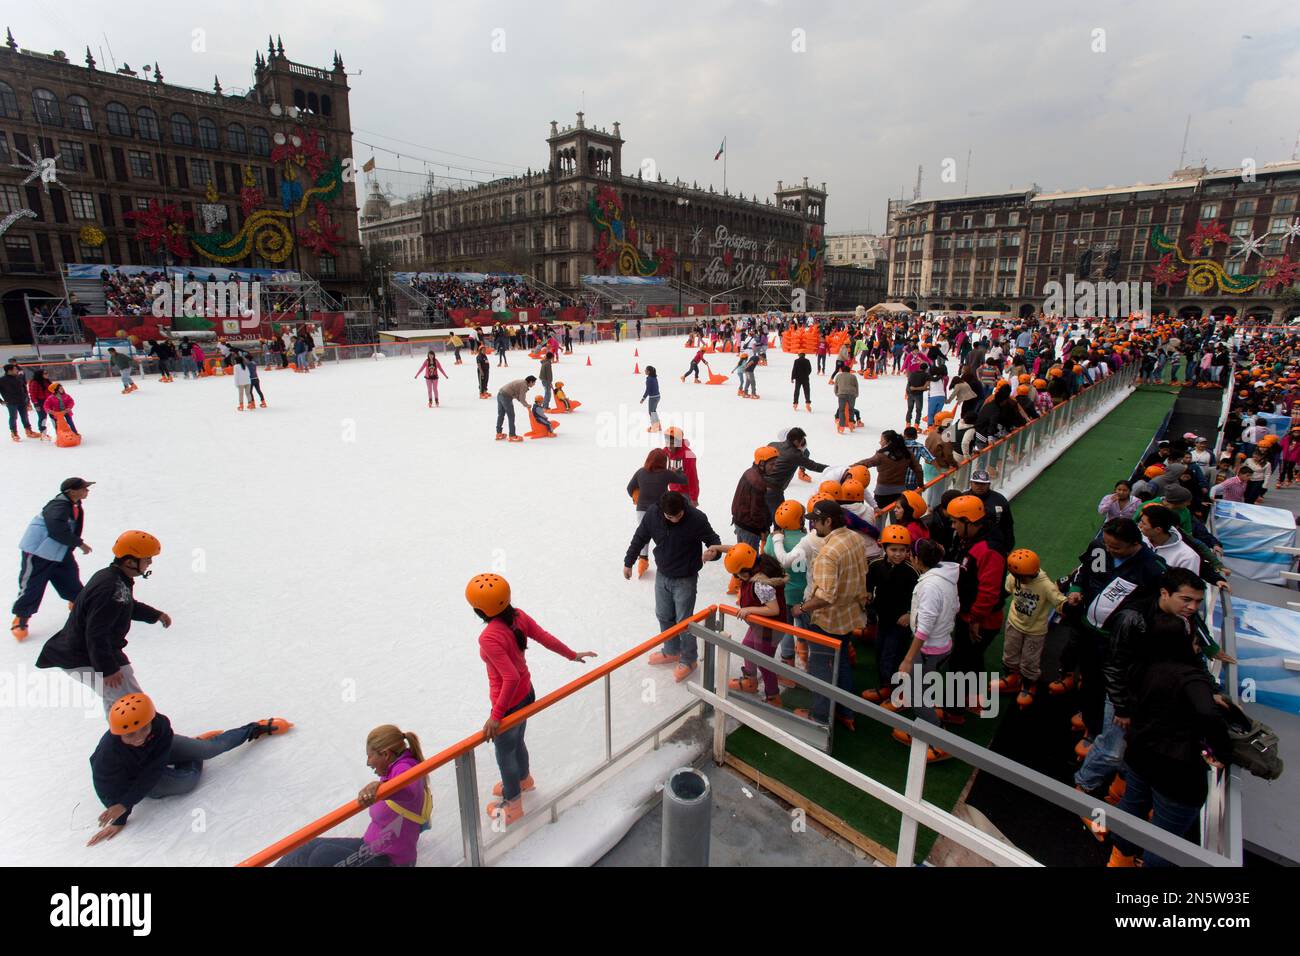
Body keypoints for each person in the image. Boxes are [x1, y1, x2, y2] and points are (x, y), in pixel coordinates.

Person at [1106, 569, 1232, 867]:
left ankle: (1119, 858)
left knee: (1132, 805)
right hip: (1176, 769)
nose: (1193, 609)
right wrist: (1222, 752)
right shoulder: (1188, 678)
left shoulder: (1143, 668)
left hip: (1140, 750)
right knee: (1166, 838)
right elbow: (1206, 714)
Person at [466, 574, 595, 825]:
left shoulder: (489, 637)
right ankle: (524, 780)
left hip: (510, 703)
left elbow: (509, 677)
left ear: (480, 610)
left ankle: (512, 804)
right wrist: (571, 654)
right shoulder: (518, 617)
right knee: (517, 742)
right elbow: (544, 636)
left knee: (505, 753)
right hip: (527, 694)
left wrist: (496, 716)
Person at [88, 694, 291, 847]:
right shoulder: (109, 755)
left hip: (155, 760)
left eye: (143, 728)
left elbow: (155, 766)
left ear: (151, 720)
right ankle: (195, 753)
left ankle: (254, 728)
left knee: (209, 749)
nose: (138, 736)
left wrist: (124, 804)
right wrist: (121, 813)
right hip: (136, 777)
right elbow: (106, 786)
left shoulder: (160, 725)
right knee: (187, 781)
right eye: (130, 734)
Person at [34, 531, 171, 714]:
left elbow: (126, 603)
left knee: (120, 699)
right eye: (147, 559)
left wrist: (155, 615)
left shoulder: (114, 578)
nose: (150, 563)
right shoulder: (109, 588)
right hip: (84, 655)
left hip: (98, 651)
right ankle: (149, 740)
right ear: (130, 562)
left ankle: (127, 739)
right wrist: (107, 669)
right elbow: (96, 633)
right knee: (131, 704)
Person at [278, 724, 431, 867]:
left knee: (322, 856)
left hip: (389, 861)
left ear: (385, 754)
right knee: (307, 847)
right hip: (369, 847)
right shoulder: (395, 768)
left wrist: (381, 787)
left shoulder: (406, 768)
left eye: (370, 756)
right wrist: (383, 786)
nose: (368, 762)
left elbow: (409, 791)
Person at [623, 491, 724, 682]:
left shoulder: (696, 517)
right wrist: (629, 561)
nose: (677, 518)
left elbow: (713, 540)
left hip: (685, 578)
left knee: (684, 622)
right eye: (672, 516)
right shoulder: (653, 514)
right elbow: (640, 537)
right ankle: (671, 650)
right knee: (663, 615)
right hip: (663, 574)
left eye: (680, 514)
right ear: (662, 512)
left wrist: (714, 552)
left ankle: (689, 659)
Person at [790, 500, 869, 730]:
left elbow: (825, 597)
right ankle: (846, 712)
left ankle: (820, 717)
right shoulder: (855, 538)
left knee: (821, 668)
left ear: (828, 521)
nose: (813, 526)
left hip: (827, 621)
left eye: (816, 521)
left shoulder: (828, 553)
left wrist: (802, 609)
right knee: (842, 660)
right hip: (849, 615)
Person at [890, 538, 960, 762]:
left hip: (929, 649)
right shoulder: (948, 577)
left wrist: (909, 658)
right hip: (943, 644)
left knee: (916, 695)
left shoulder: (929, 585)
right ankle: (929, 724)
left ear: (916, 558)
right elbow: (954, 606)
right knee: (926, 688)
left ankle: (940, 741)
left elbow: (926, 626)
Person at [11, 477, 94, 642]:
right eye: (84, 488)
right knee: (32, 586)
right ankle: (21, 617)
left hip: (59, 552)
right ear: (72, 491)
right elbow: (56, 530)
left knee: (70, 579)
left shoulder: (75, 505)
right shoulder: (58, 507)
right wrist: (79, 544)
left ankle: (78, 604)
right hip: (38, 553)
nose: (87, 491)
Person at [946, 494, 1007, 709]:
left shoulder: (988, 549)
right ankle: (975, 701)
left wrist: (974, 618)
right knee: (971, 659)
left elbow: (989, 592)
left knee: (960, 663)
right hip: (973, 614)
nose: (953, 526)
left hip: (980, 619)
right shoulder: (974, 539)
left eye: (955, 522)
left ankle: (953, 711)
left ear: (969, 522)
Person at [995, 548, 1066, 709]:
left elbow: (1060, 603)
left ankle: (1028, 685)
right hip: (1014, 622)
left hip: (1035, 630)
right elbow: (1006, 591)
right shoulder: (1014, 577)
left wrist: (1070, 605)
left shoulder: (1045, 585)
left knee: (1030, 660)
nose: (1019, 579)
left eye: (1021, 577)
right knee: (1009, 653)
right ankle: (1012, 677)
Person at [860, 525, 920, 706]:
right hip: (883, 618)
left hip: (900, 623)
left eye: (903, 550)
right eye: (893, 549)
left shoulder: (912, 571)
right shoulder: (876, 564)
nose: (898, 554)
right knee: (880, 652)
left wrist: (909, 614)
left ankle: (897, 692)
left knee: (892, 656)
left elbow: (918, 596)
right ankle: (886, 685)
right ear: (884, 548)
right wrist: (868, 594)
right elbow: (869, 583)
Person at [725, 545, 790, 707]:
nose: (738, 578)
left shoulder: (760, 583)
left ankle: (773, 696)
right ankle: (750, 680)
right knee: (747, 646)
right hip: (759, 625)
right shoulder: (757, 562)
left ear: (747, 568)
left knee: (764, 662)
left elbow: (774, 609)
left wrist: (748, 610)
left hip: (769, 628)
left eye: (738, 574)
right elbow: (736, 550)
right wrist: (717, 548)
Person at [766, 499, 811, 674]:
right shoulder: (808, 539)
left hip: (784, 593)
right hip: (804, 594)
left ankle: (788, 663)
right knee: (804, 628)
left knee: (785, 629)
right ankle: (805, 657)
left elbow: (768, 560)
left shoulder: (774, 539)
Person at [627, 449, 686, 578]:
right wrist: (678, 472)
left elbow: (629, 488)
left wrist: (636, 495)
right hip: (659, 511)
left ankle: (643, 561)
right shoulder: (666, 474)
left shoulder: (640, 472)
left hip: (641, 509)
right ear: (664, 462)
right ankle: (667, 560)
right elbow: (683, 480)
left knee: (643, 534)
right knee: (663, 536)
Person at [852, 430, 923, 509]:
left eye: (882, 440)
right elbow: (918, 469)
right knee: (897, 517)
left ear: (888, 442)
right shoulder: (907, 453)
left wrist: (852, 467)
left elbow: (867, 462)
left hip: (882, 492)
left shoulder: (881, 455)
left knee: (880, 518)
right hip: (899, 492)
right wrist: (921, 485)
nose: (880, 442)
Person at [732, 447, 778, 552]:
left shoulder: (749, 472)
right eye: (772, 464)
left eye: (776, 464)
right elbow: (757, 511)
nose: (774, 467)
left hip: (739, 521)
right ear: (761, 464)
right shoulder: (758, 483)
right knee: (751, 559)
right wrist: (763, 529)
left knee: (742, 554)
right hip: (749, 528)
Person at [2, 362, 39, 441]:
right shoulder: (2, 380)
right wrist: (1, 401)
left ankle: (29, 431)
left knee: (25, 416)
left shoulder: (18, 378)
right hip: (11, 402)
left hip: (22, 401)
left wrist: (27, 400)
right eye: (15, 369)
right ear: (9, 371)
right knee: (13, 417)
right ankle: (14, 433)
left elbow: (24, 389)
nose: (17, 370)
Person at [664, 427, 701, 505]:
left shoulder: (688, 455)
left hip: (685, 494)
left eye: (672, 443)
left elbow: (692, 477)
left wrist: (694, 498)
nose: (669, 446)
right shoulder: (665, 451)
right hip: (671, 492)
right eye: (667, 442)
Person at [495, 376, 536, 442]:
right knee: (511, 416)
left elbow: (518, 395)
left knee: (501, 415)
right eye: (534, 383)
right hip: (506, 397)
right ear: (530, 382)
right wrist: (527, 405)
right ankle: (512, 435)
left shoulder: (522, 382)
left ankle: (498, 433)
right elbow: (522, 398)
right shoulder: (524, 386)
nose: (534, 385)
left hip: (500, 394)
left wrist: (524, 403)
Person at [27, 368, 53, 438]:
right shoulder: (34, 382)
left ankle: (58, 430)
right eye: (45, 373)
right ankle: (43, 432)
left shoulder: (47, 381)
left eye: (47, 373)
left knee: (54, 416)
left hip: (50, 401)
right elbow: (32, 394)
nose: (47, 374)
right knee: (43, 417)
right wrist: (36, 404)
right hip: (40, 402)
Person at [833, 362, 859, 431]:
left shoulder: (838, 376)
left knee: (841, 410)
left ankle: (842, 426)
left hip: (841, 394)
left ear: (842, 370)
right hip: (852, 394)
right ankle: (851, 424)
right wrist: (856, 394)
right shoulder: (853, 376)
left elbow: (836, 386)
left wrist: (837, 393)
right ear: (849, 370)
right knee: (851, 409)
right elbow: (856, 386)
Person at [641, 365, 661, 433]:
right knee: (654, 411)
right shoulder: (654, 377)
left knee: (651, 412)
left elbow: (648, 390)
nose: (644, 371)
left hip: (653, 398)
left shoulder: (649, 379)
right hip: (658, 396)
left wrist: (643, 398)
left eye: (646, 370)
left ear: (649, 372)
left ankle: (654, 427)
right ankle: (658, 426)